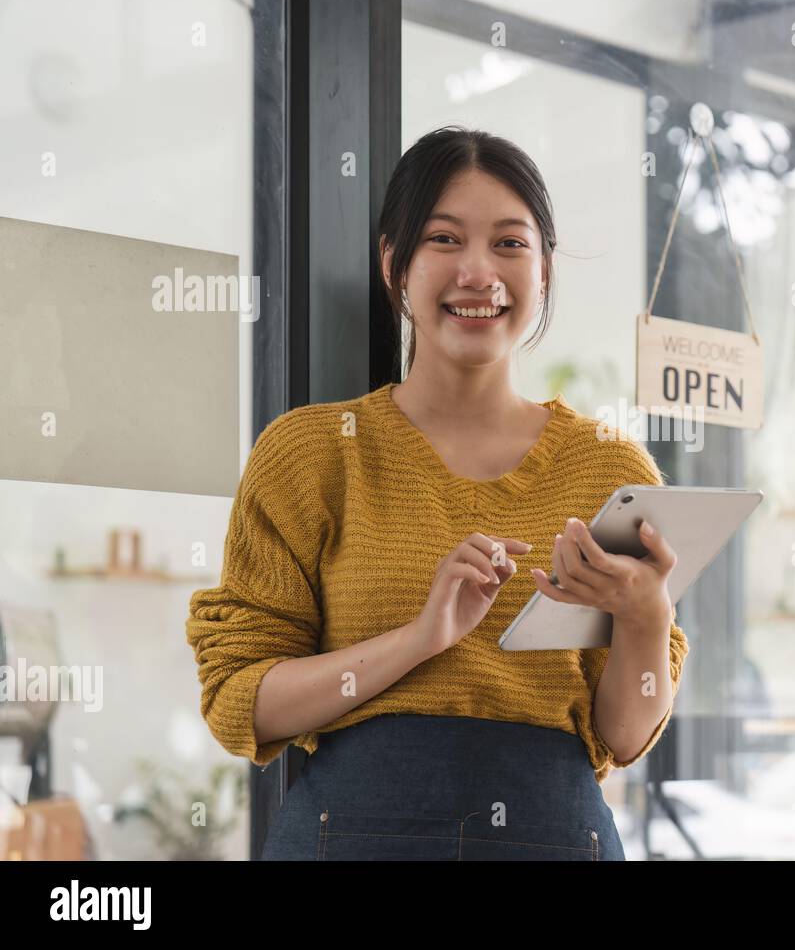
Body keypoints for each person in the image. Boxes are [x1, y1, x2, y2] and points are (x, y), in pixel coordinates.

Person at [185, 126, 689, 861]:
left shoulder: (609, 469)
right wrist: (420, 640)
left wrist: (646, 614)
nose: (479, 272)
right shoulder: (311, 453)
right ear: (395, 263)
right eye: (444, 240)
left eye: (511, 244)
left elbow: (623, 734)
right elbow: (242, 700)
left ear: (543, 271)